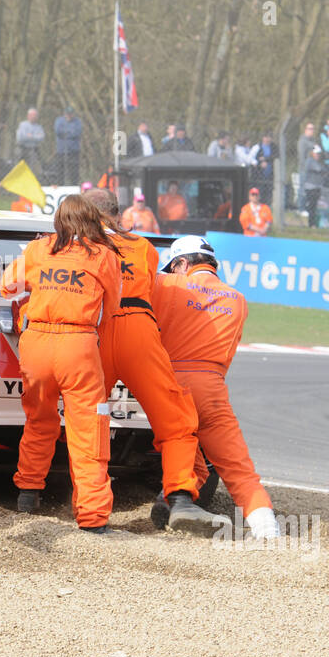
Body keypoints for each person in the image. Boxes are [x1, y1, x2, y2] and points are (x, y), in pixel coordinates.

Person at [0, 194, 122, 532]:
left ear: (58, 220)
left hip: (36, 343)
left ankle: (27, 492)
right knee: (87, 430)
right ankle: (93, 516)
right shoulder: (104, 255)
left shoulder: (39, 250)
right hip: (78, 344)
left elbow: (5, 287)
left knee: (39, 420)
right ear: (94, 220)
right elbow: (112, 307)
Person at [83, 189, 203, 526]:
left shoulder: (73, 245)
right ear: (118, 216)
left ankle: (88, 504)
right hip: (139, 328)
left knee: (88, 418)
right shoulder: (143, 247)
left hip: (95, 331)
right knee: (174, 417)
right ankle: (179, 497)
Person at [150, 236, 280, 539]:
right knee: (237, 465)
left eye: (173, 267)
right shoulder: (237, 298)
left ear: (182, 263)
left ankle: (172, 502)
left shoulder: (166, 286)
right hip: (212, 386)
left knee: (181, 447)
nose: (170, 273)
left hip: (170, 383)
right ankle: (267, 528)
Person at [53, 107, 82, 184]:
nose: (69, 116)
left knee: (74, 172)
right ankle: (60, 186)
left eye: (70, 114)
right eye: (67, 114)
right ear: (64, 113)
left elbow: (77, 133)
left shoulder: (77, 122)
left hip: (73, 151)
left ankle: (74, 186)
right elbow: (58, 132)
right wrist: (70, 132)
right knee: (60, 170)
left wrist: (66, 133)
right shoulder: (59, 120)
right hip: (61, 150)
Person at [301, 146, 325, 227]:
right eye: (316, 153)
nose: (318, 155)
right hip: (311, 187)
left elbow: (323, 169)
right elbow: (319, 169)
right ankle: (311, 224)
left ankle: (313, 223)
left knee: (314, 207)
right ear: (312, 153)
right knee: (312, 206)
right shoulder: (310, 161)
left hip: (317, 187)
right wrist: (322, 169)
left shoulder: (318, 161)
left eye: (319, 154)